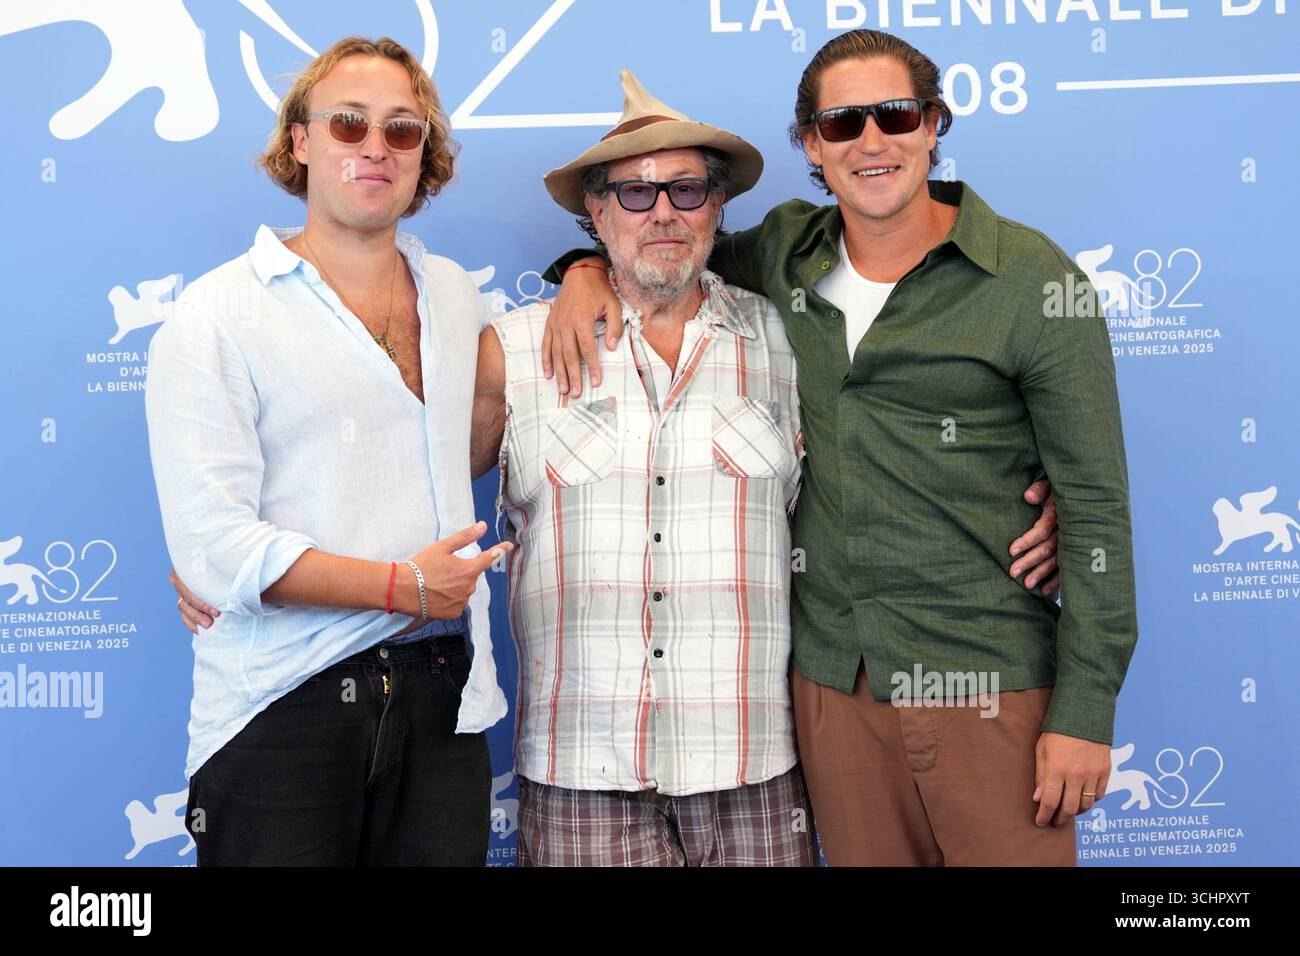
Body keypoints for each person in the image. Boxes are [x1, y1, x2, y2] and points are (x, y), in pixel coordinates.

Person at [541, 30, 1137, 866]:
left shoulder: (1035, 281)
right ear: (811, 145)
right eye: (843, 122)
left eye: (894, 115)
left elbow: (1098, 507)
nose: (872, 141)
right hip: (832, 689)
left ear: (934, 125)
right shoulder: (783, 254)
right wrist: (581, 269)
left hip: (987, 681)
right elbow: (663, 251)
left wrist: (1085, 713)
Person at [149, 36, 509, 866]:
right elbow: (212, 549)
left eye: (402, 130)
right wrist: (405, 587)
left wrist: (585, 278)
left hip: (444, 697)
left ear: (428, 156)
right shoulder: (215, 316)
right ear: (301, 142)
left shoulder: (456, 294)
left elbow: (457, 450)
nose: (375, 147)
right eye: (347, 124)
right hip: (282, 704)